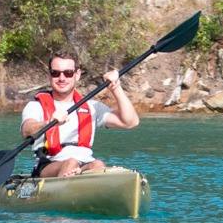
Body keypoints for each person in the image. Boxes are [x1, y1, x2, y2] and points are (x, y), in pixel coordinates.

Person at [19, 50, 137, 178]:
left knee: (97, 164)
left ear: (77, 74)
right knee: (71, 162)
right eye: (55, 73)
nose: (62, 78)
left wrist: (116, 87)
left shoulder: (92, 107)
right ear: (49, 75)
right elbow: (27, 130)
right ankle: (66, 189)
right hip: (49, 166)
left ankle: (84, 184)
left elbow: (130, 122)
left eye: (68, 73)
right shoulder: (36, 106)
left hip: (85, 164)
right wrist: (49, 123)